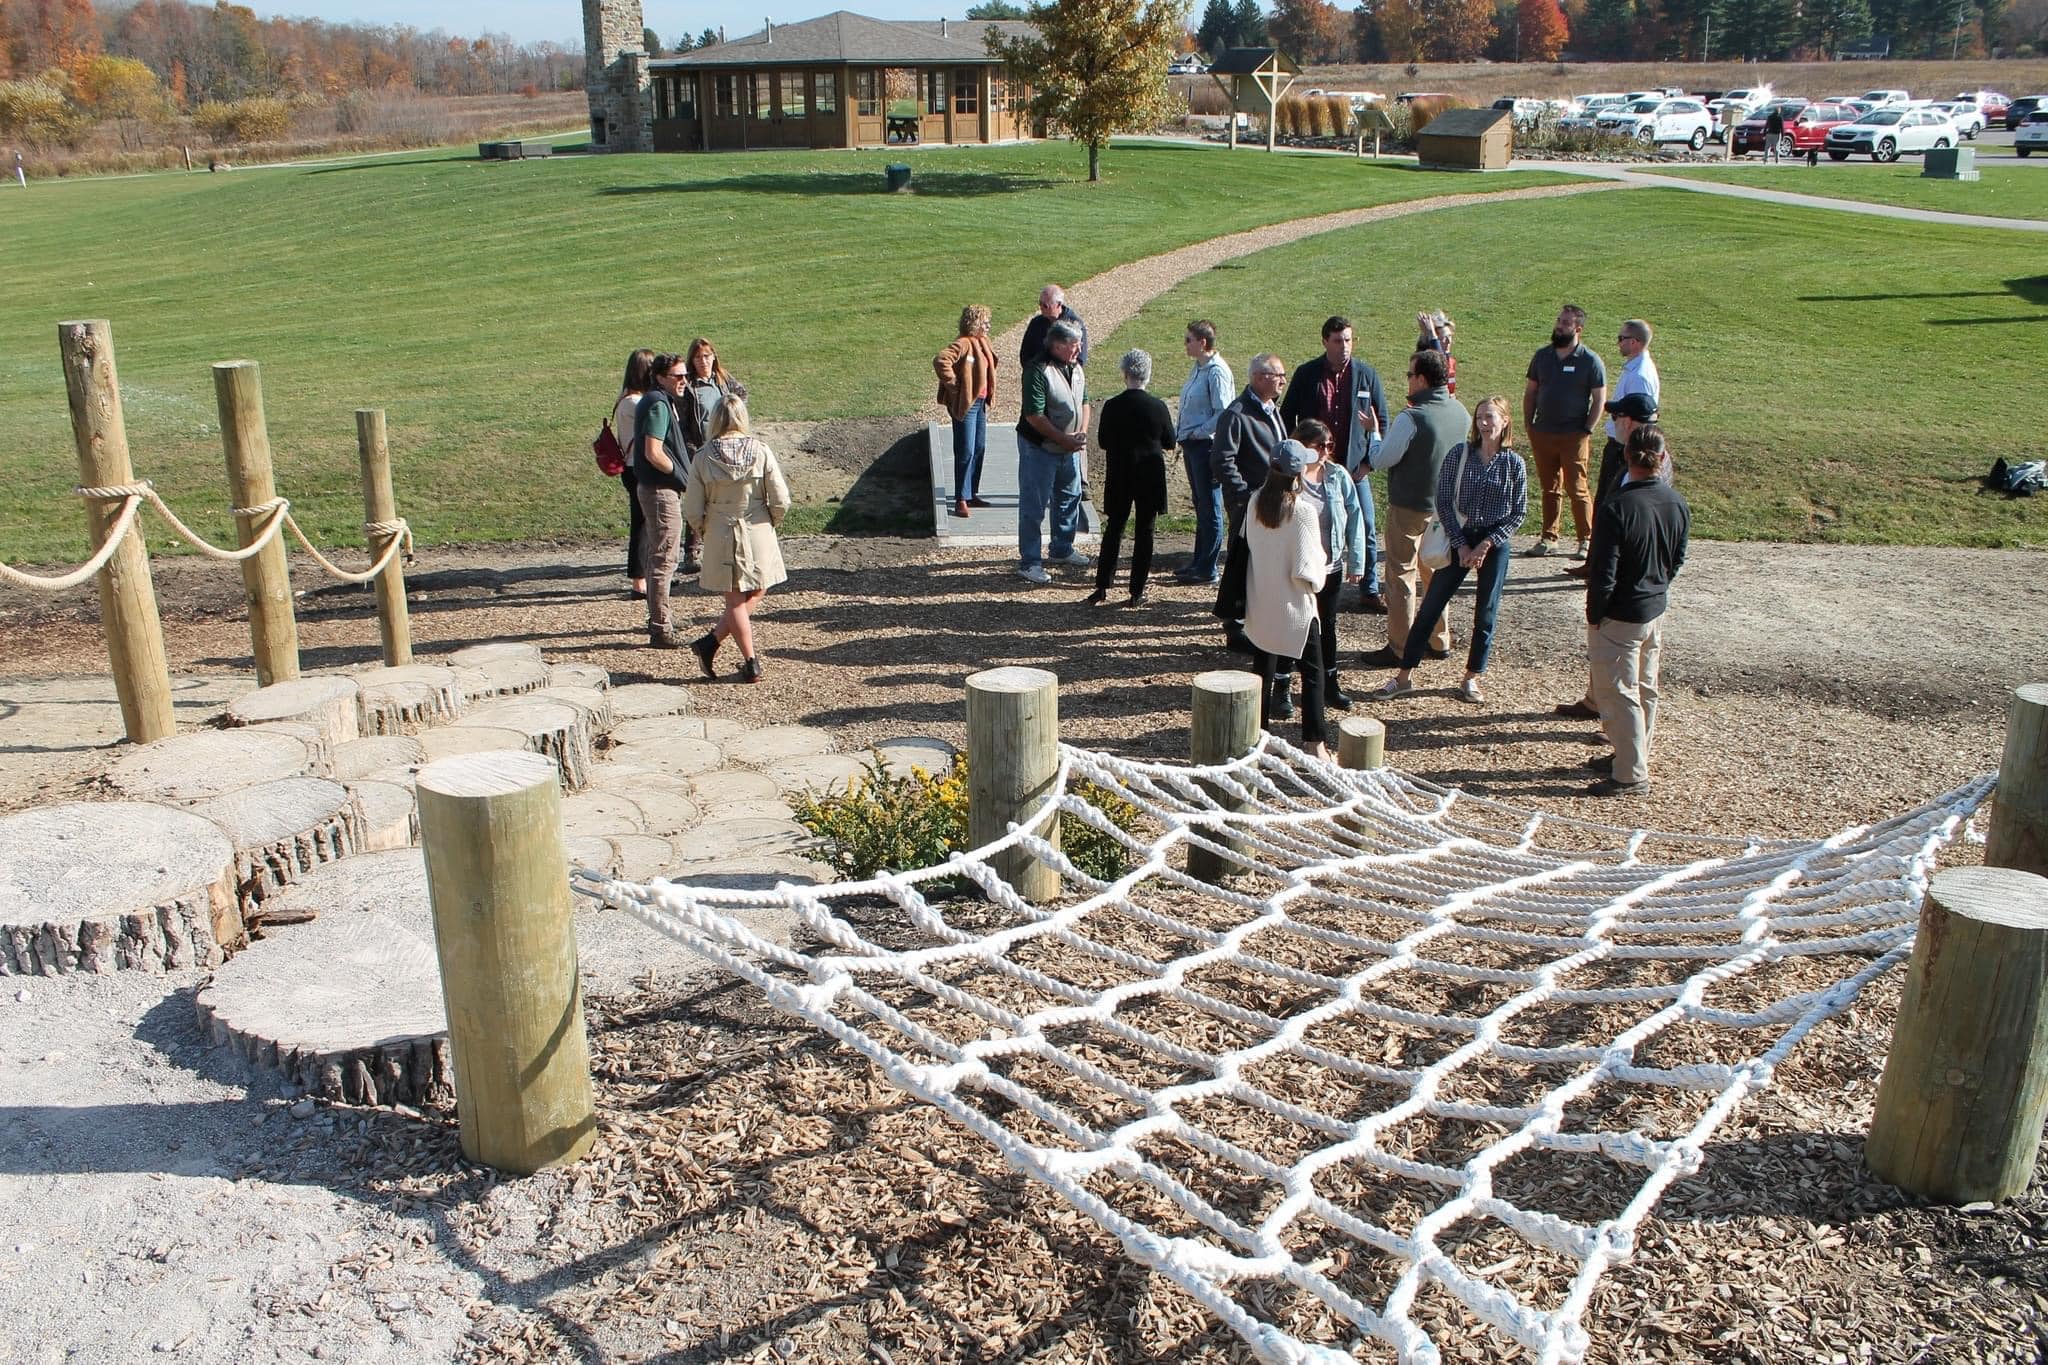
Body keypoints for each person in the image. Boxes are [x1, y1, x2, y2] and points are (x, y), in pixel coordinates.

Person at [1369, 396, 1528, 706]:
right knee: (1431, 606)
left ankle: (1471, 676)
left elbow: (1518, 512)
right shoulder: (1460, 454)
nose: (1484, 422)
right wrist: (1462, 544)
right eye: (1480, 416)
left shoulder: (1514, 464)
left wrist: (1485, 544)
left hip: (1493, 543)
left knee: (1486, 614)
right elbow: (1443, 501)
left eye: (1490, 417)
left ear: (1505, 421)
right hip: (1460, 537)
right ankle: (1404, 676)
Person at [1580, 425, 1690, 796]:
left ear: (1627, 457)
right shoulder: (1676, 502)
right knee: (1645, 687)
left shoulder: (1618, 507)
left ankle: (1629, 772)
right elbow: (1676, 560)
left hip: (1620, 615)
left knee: (1618, 692)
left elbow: (1603, 572)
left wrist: (1595, 615)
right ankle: (1632, 752)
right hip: (1654, 607)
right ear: (1662, 459)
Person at [1358, 348, 1468, 669]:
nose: (1407, 381)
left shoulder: (1412, 417)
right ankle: (1439, 639)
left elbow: (1381, 459)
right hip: (1446, 509)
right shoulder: (1460, 411)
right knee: (1435, 571)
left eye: (1409, 375)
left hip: (1409, 507)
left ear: (1421, 379)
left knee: (1401, 576)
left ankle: (1401, 646)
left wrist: (1373, 432)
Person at [1557, 393, 1661, 721]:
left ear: (1628, 422)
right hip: (1629, 576)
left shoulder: (1648, 464)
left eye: (1616, 418)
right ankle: (1595, 701)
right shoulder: (1630, 455)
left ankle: (1618, 732)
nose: (1612, 423)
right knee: (1620, 665)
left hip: (1629, 582)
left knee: (1626, 670)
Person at [1280, 316, 1387, 614]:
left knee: (1365, 525)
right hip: (1315, 471)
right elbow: (1287, 418)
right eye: (1338, 341)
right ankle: (1308, 581)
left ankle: (1370, 588)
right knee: (1310, 524)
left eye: (1349, 340)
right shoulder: (1307, 375)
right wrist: (1298, 458)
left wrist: (1367, 464)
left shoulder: (1366, 375)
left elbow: (1383, 421)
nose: (1345, 347)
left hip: (1353, 471)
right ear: (1325, 341)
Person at [683, 395, 791, 684]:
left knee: (737, 596)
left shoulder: (703, 456)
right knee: (753, 589)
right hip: (756, 526)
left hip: (721, 528)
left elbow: (692, 507)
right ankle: (749, 660)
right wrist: (770, 523)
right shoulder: (761, 451)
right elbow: (780, 499)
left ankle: (713, 642)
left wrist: (706, 529)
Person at [1243, 440, 1332, 762]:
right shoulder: (1303, 512)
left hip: (1261, 602)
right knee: (1313, 673)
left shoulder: (1255, 502)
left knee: (1261, 673)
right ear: (1298, 474)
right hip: (1295, 609)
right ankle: (1314, 741)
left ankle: (1257, 738)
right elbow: (1307, 572)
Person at [1567, 319, 1659, 580]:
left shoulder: (1640, 375)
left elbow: (1639, 417)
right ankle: (1595, 562)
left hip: (1622, 448)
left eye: (1622, 337)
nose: (1618, 342)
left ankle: (1600, 565)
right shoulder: (1636, 369)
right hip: (1620, 445)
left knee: (1610, 505)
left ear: (1636, 342)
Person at [1210, 353, 1289, 653]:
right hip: (1250, 505)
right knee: (1243, 563)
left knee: (1262, 565)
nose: (1283, 380)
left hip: (1272, 503)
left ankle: (1256, 622)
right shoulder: (1237, 414)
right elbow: (1221, 460)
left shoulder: (1271, 410)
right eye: (1277, 374)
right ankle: (1235, 626)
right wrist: (1245, 496)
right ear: (1258, 377)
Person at [1088, 349, 1175, 605]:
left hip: (1120, 471)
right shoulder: (1157, 406)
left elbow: (1103, 441)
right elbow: (1169, 441)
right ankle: (1137, 590)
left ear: (1124, 374)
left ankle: (1103, 585)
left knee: (1114, 528)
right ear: (1147, 375)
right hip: (1149, 474)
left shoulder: (1112, 406)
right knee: (1145, 531)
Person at [1292, 418, 1368, 712]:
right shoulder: (1290, 476)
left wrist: (1356, 561)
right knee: (1296, 625)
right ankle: (1283, 685)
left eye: (1329, 445)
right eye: (1318, 446)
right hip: (1299, 568)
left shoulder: (1337, 476)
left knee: (1328, 626)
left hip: (1330, 567)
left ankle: (1330, 684)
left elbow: (1355, 517)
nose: (1325, 452)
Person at [1522, 303, 1607, 561]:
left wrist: (1587, 429)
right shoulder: (1542, 357)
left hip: (1574, 435)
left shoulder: (1590, 361)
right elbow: (1531, 392)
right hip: (1544, 432)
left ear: (1578, 328)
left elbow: (1599, 398)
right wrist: (1529, 424)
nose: (1559, 325)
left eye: (1566, 323)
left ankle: (1586, 540)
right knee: (1550, 488)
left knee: (1577, 487)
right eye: (1559, 320)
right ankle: (1549, 537)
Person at [1015, 320, 1090, 585]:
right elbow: (1034, 416)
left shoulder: (1076, 367)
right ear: (1057, 345)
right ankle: (1030, 562)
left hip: (1069, 447)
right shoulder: (1037, 370)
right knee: (1034, 506)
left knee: (1069, 498)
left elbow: (1084, 401)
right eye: (1074, 344)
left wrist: (1080, 432)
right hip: (1040, 448)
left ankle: (1062, 548)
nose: (1080, 349)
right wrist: (1063, 439)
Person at [632, 353, 691, 648]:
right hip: (660, 491)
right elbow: (653, 452)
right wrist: (681, 476)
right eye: (677, 376)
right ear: (659, 378)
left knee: (659, 556)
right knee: (664, 558)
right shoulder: (657, 403)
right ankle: (660, 627)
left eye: (685, 376)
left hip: (655, 488)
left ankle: (660, 621)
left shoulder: (657, 400)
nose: (683, 381)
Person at [1174, 320, 1233, 585]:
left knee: (1210, 505)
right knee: (1201, 504)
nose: (1186, 344)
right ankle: (1199, 561)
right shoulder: (1198, 369)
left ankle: (1208, 567)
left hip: (1205, 446)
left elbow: (1223, 412)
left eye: (1189, 340)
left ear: (1203, 343)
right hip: (1192, 444)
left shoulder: (1216, 372)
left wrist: (1199, 432)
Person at [675, 337, 738, 575]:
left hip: (724, 448)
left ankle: (721, 546)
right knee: (698, 499)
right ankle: (692, 552)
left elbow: (740, 395)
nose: (703, 361)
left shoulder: (722, 380)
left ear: (714, 356)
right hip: (699, 450)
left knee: (722, 498)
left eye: (707, 356)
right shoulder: (689, 386)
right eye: (698, 357)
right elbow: (681, 421)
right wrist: (691, 449)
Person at [934, 305, 998, 519]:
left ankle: (971, 493)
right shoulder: (963, 343)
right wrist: (955, 386)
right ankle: (961, 498)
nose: (988, 327)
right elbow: (941, 360)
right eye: (985, 323)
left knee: (979, 448)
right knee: (966, 450)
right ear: (975, 324)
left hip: (979, 404)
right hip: (967, 405)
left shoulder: (983, 342)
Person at [612, 347, 656, 602]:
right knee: (641, 526)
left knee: (645, 524)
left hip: (631, 467)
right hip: (636, 468)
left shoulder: (625, 398)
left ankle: (646, 576)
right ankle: (639, 580)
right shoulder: (635, 403)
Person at [1019, 285, 1089, 368]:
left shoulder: (1075, 326)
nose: (1041, 308)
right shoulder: (1036, 323)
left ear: (1058, 305)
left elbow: (1080, 361)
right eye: (1040, 304)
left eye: (1045, 306)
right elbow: (1025, 354)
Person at [1416, 310, 1456, 394]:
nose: (1449, 341)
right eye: (1444, 337)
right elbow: (1439, 365)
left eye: (1450, 336)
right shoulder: (1425, 361)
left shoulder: (1451, 361)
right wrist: (1430, 334)